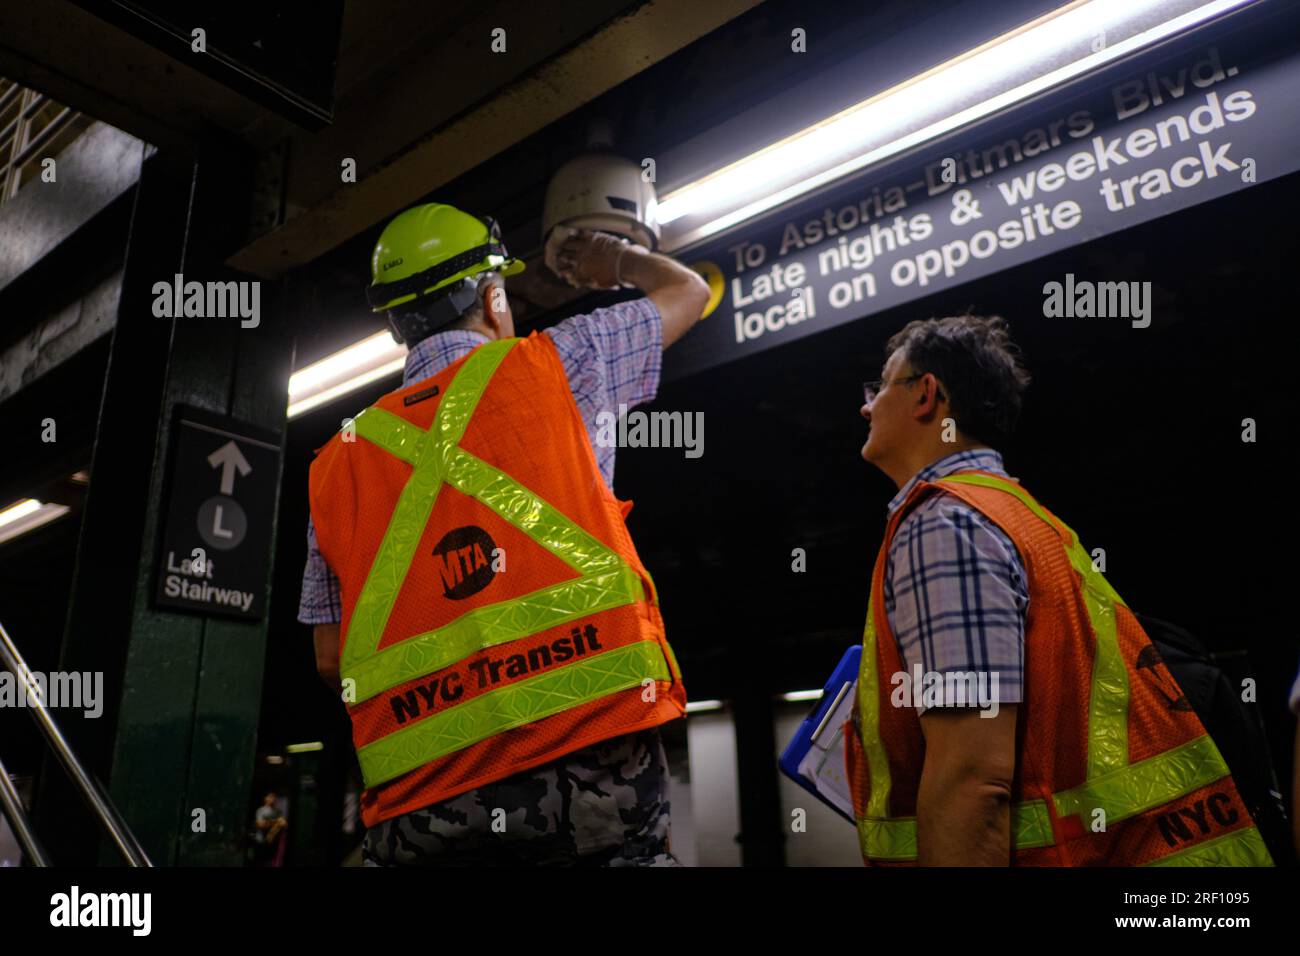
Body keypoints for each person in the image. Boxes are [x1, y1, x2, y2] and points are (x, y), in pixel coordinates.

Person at [300, 203, 709, 866]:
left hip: (421, 807)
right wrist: (616, 259)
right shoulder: (563, 361)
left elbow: (328, 655)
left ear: (396, 327)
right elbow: (688, 292)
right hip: (588, 772)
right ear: (493, 299)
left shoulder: (335, 461)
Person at [843, 313, 1273, 866]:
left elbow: (972, 779)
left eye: (881, 386)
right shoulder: (1025, 518)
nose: (867, 405)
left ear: (927, 395)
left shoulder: (946, 523)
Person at [251, 792, 286, 866]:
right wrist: (276, 822)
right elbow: (261, 824)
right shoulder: (260, 810)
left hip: (272, 843)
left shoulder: (278, 811)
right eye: (270, 797)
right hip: (260, 841)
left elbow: (284, 824)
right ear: (265, 798)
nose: (272, 799)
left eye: (273, 797)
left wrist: (277, 823)